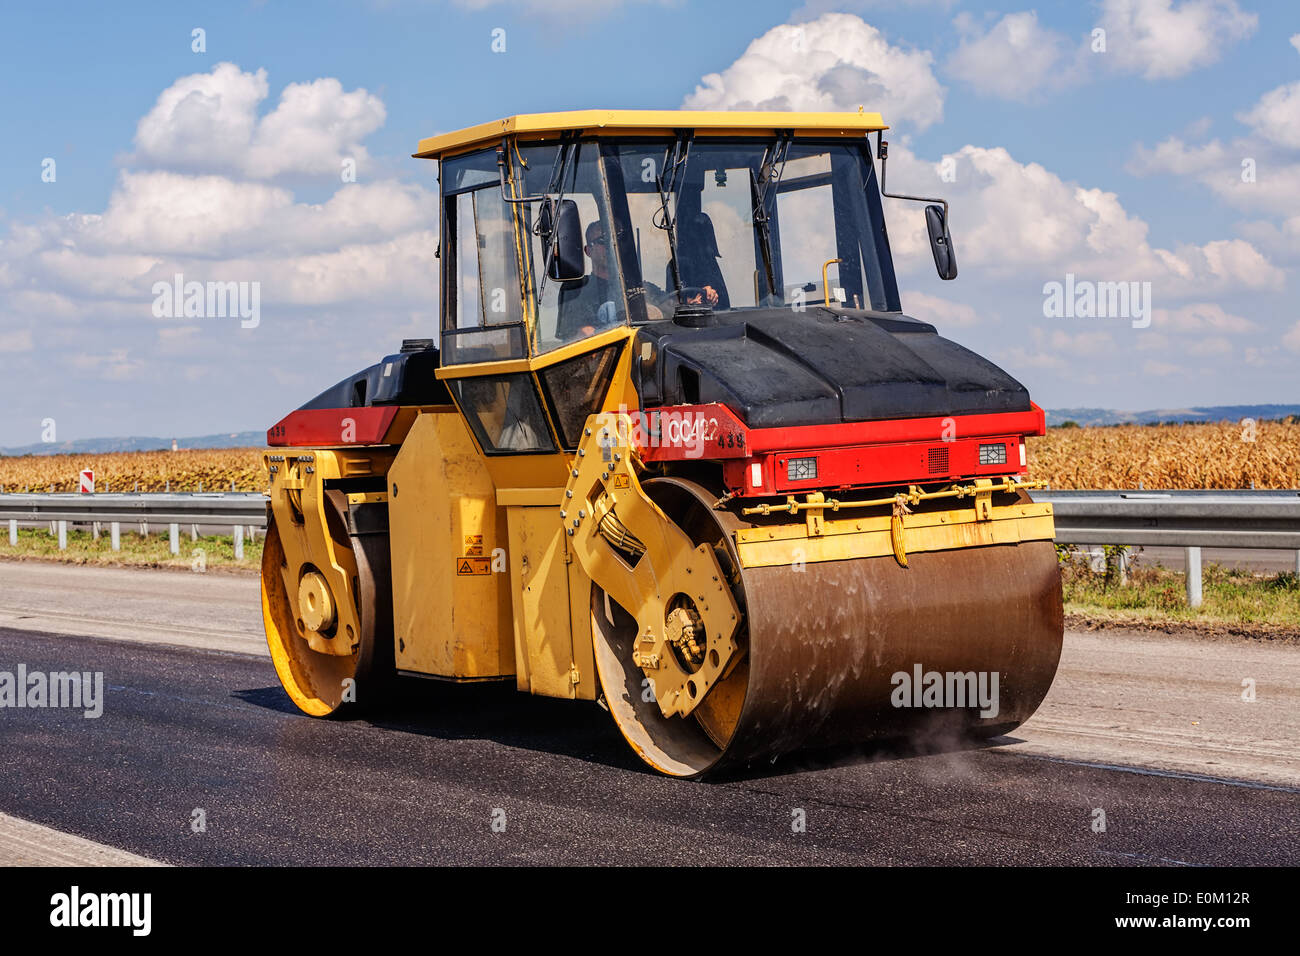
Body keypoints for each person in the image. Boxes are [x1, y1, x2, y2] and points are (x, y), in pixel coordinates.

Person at [556, 221, 623, 341]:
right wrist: (581, 333)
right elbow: (571, 337)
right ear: (588, 251)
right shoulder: (575, 289)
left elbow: (661, 311)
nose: (610, 246)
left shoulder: (639, 287)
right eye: (602, 241)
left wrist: (653, 310)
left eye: (615, 240)